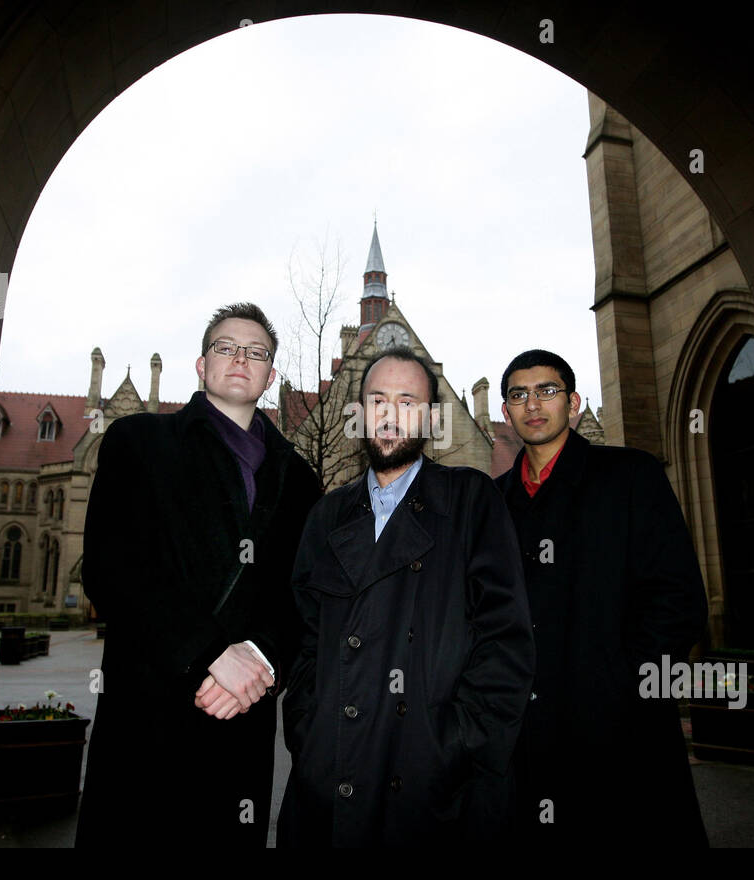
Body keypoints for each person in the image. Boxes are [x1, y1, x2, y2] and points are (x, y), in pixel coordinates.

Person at [74, 303, 320, 849]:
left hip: (241, 714)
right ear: (202, 365)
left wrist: (259, 657)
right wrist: (210, 651)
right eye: (226, 348)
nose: (241, 359)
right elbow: (110, 570)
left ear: (270, 376)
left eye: (256, 352)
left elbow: (301, 593)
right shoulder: (138, 442)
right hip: (148, 711)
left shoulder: (300, 480)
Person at [278, 348, 534, 847]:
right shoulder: (327, 515)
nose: (391, 415)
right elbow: (304, 637)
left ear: (432, 418)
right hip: (332, 774)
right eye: (377, 400)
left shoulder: (470, 500)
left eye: (407, 401)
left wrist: (454, 744)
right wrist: (310, 734)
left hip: (433, 785)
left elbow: (505, 639)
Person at [494, 348, 708, 847]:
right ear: (506, 411)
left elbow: (678, 601)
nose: (533, 404)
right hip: (529, 734)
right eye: (519, 394)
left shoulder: (630, 476)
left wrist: (622, 684)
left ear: (573, 402)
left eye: (547, 390)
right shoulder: (495, 500)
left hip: (621, 730)